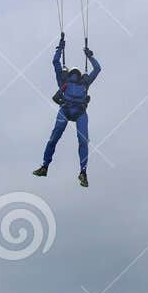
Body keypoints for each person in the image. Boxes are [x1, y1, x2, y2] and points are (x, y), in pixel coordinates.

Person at [32, 35, 99, 186]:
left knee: (74, 140)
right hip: (70, 110)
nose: (75, 75)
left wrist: (60, 48)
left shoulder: (80, 82)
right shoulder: (66, 81)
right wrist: (89, 56)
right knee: (58, 138)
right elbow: (97, 69)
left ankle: (48, 166)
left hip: (76, 111)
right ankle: (51, 167)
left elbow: (55, 61)